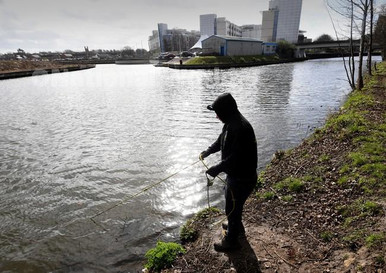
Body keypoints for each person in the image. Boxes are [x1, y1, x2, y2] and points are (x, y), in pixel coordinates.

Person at [199, 93, 257, 252]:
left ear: (227, 111)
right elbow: (221, 141)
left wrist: (216, 169)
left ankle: (231, 241)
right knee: (234, 207)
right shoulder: (231, 123)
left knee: (232, 208)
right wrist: (208, 151)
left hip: (243, 178)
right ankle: (236, 227)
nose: (216, 116)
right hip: (237, 176)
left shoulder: (240, 128)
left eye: (218, 112)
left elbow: (235, 158)